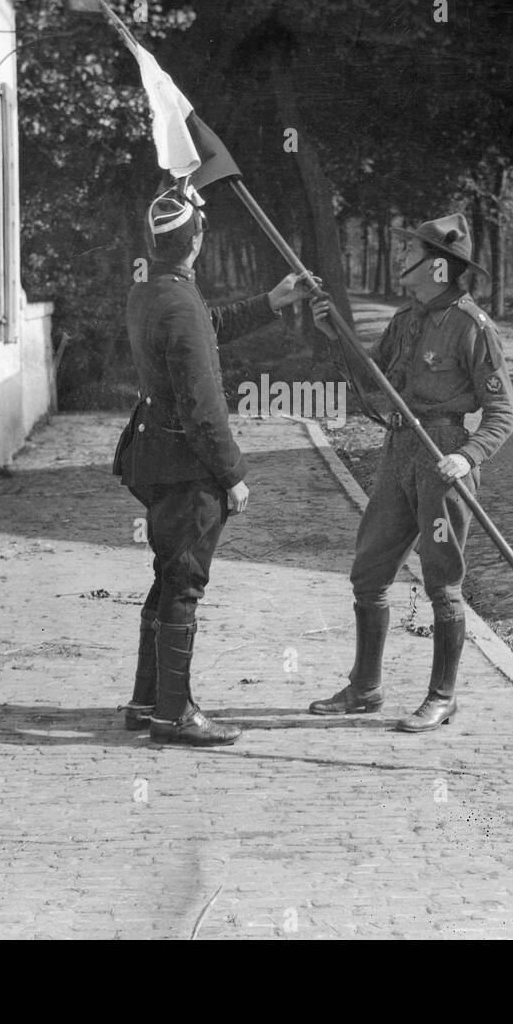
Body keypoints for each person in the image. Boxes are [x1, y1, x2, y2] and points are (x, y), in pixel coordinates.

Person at [112, 185, 313, 746]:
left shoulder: (151, 292)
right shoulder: (178, 301)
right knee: (183, 582)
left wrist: (272, 301)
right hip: (187, 465)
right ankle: (174, 716)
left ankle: (148, 700)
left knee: (167, 573)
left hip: (154, 456)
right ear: (196, 240)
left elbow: (208, 324)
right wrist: (233, 474)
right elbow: (203, 407)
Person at [307, 213, 513, 732]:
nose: (401, 257)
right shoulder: (405, 320)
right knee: (369, 571)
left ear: (439, 268)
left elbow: (503, 413)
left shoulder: (474, 328)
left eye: (410, 252)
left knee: (442, 581)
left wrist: (467, 457)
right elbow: (372, 377)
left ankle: (443, 696)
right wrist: (336, 334)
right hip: (399, 449)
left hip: (443, 458)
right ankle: (365, 688)